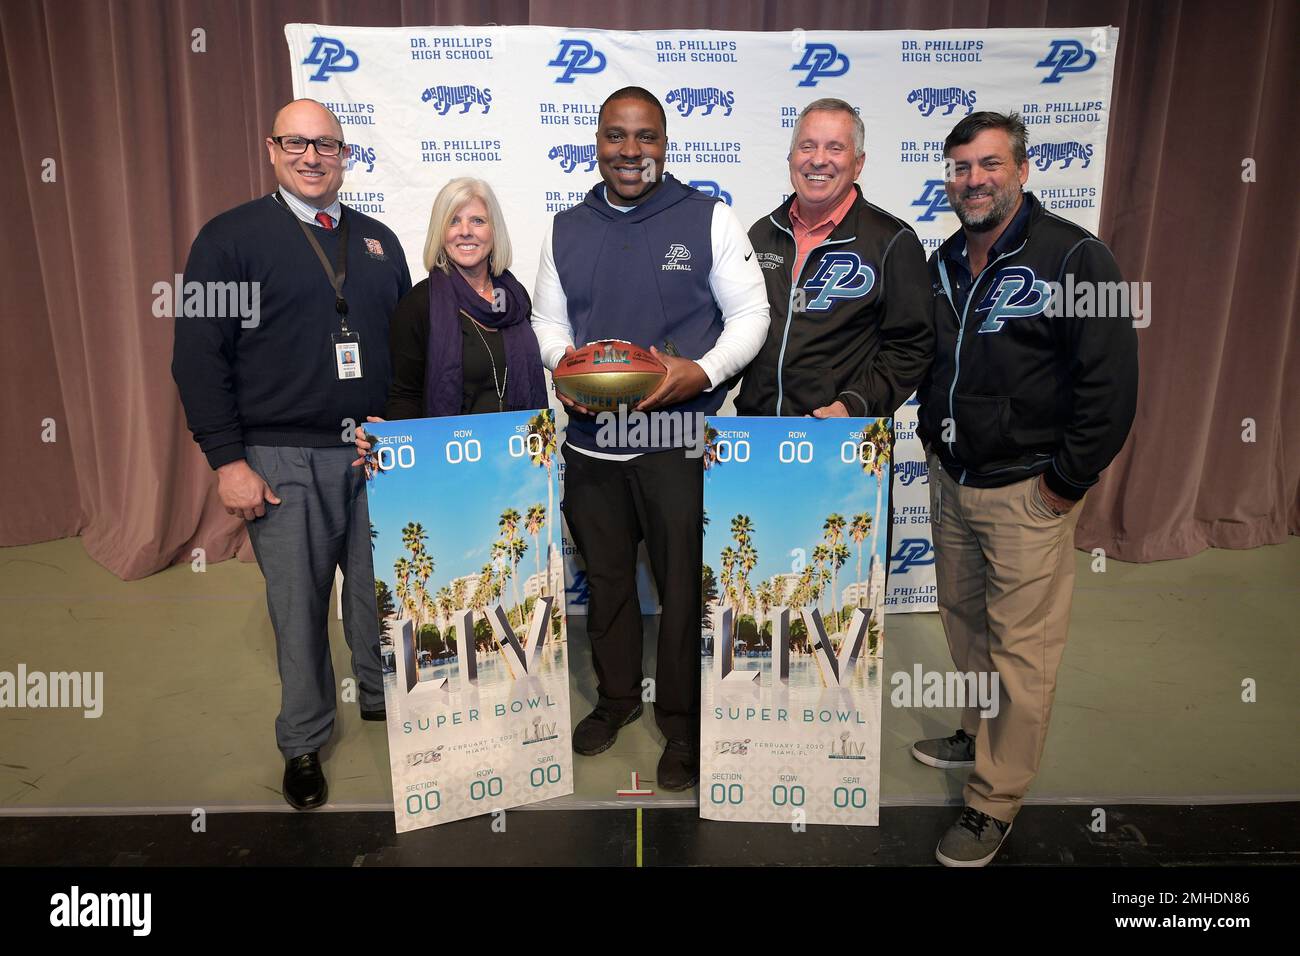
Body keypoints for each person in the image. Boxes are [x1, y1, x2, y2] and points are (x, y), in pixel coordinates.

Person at [172, 98, 411, 811]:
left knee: (380, 596)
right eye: (296, 144)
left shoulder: (377, 242)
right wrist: (227, 461)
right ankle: (303, 741)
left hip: (373, 454)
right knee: (299, 607)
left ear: (344, 156)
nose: (312, 157)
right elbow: (197, 358)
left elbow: (405, 353)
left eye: (327, 145)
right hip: (280, 456)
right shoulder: (230, 239)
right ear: (270, 150)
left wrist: (399, 426)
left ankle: (381, 700)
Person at [914, 111, 1138, 866]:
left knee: (1023, 651)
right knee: (967, 622)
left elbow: (1110, 384)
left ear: (1022, 169)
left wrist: (1064, 482)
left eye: (988, 165)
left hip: (1027, 492)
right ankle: (978, 733)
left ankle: (993, 800)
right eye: (959, 167)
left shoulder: (1077, 256)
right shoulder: (944, 259)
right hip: (954, 481)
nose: (972, 180)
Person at [531, 87, 769, 790]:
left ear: (665, 144)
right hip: (591, 445)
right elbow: (549, 325)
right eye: (616, 136)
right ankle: (615, 699)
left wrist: (701, 371)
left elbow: (751, 314)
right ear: (596, 142)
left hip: (679, 441)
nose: (630, 152)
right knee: (606, 584)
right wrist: (562, 366)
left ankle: (684, 723)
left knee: (680, 592)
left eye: (645, 137)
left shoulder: (708, 218)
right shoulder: (563, 228)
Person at [736, 97, 932, 419]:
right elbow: (739, 328)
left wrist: (853, 405)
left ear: (858, 163)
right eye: (807, 147)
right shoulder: (761, 233)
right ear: (790, 157)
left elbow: (912, 347)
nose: (818, 160)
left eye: (835, 148)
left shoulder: (893, 241)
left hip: (845, 438)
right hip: (759, 436)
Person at [353, 177, 546, 443]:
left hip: (520, 460)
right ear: (440, 233)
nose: (465, 231)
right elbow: (406, 394)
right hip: (451, 465)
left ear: (494, 230)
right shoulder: (419, 304)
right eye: (453, 221)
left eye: (478, 221)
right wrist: (390, 439)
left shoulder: (515, 297)